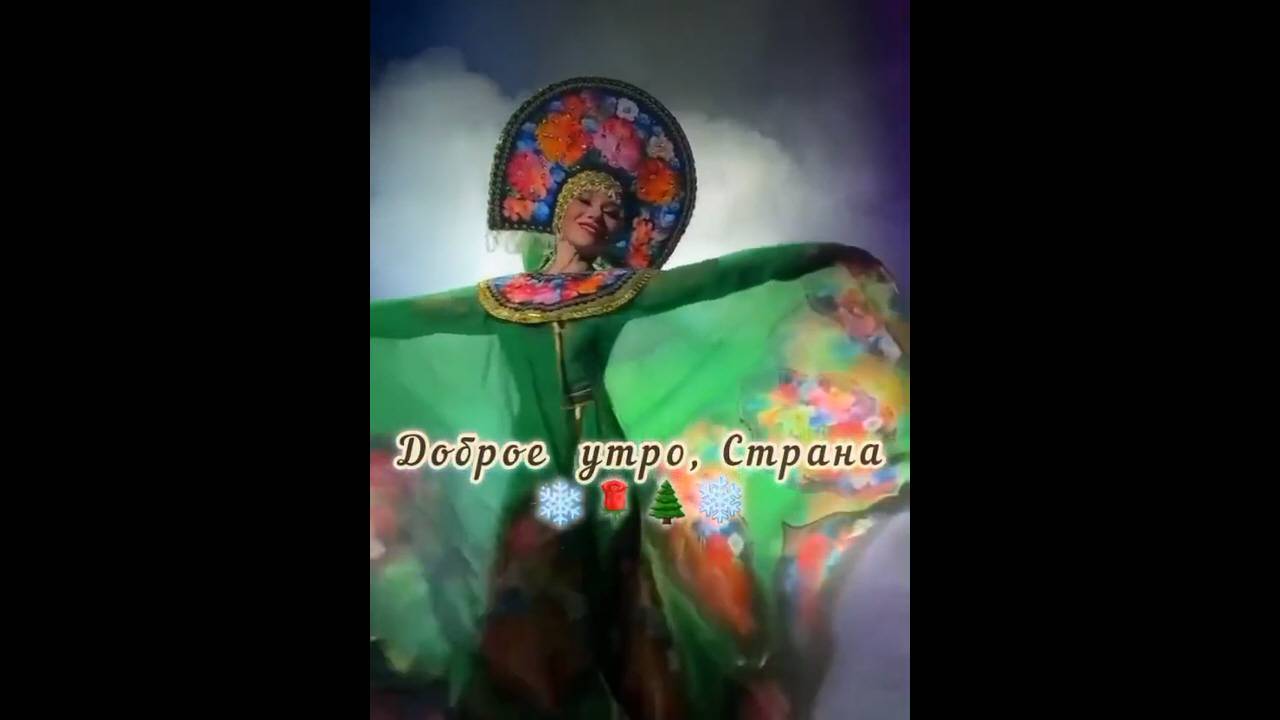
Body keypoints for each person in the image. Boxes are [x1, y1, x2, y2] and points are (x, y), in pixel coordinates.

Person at [370, 77, 910, 719]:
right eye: (587, 199)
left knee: (615, 589)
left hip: (606, 461)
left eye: (612, 211)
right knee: (525, 587)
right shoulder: (498, 299)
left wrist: (808, 258)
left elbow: (720, 278)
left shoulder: (621, 291)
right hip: (534, 463)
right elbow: (408, 317)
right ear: (557, 206)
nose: (598, 215)